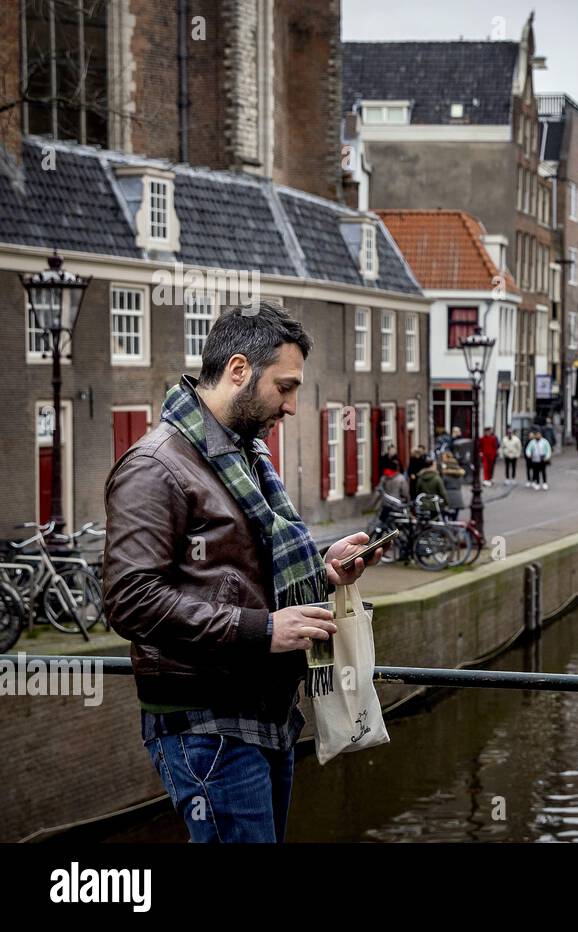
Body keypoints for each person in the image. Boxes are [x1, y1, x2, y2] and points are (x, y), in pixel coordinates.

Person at [102, 300, 383, 844]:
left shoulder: (243, 457)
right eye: (285, 387)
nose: (294, 406)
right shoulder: (155, 466)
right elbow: (130, 600)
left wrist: (323, 574)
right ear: (238, 370)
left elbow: (237, 569)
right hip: (207, 722)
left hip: (266, 713)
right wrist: (262, 630)